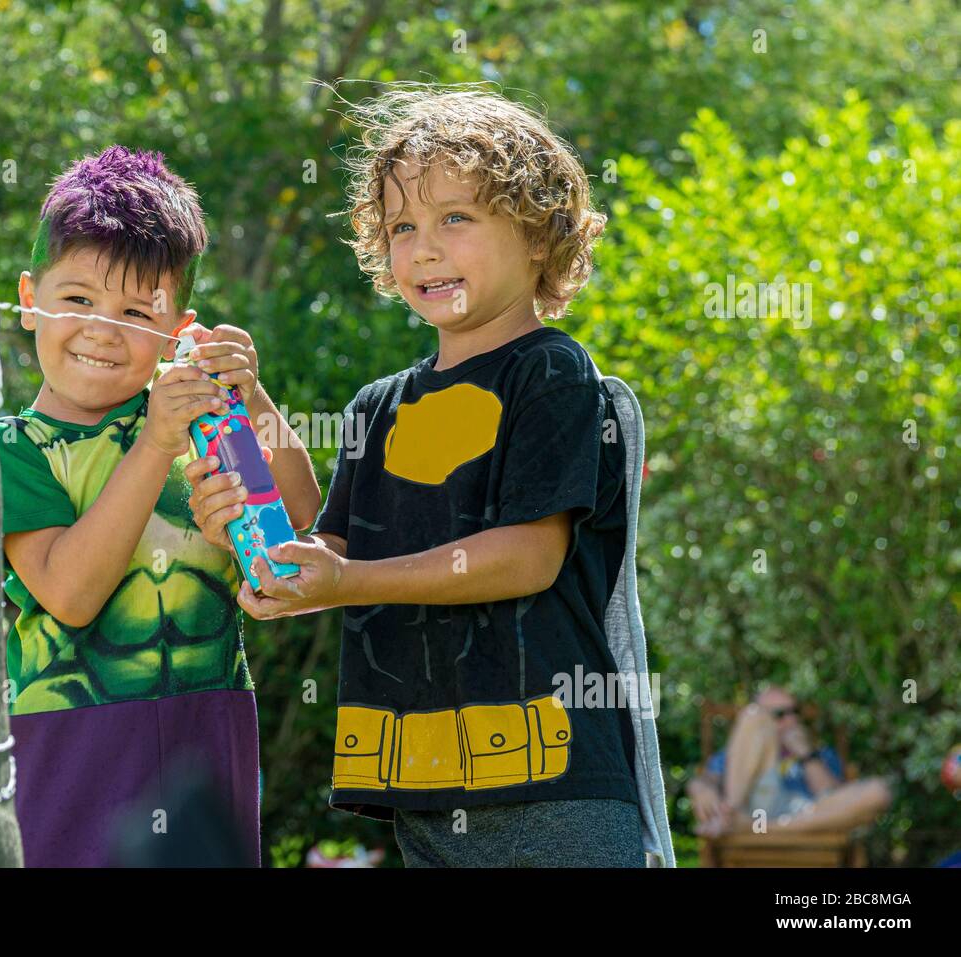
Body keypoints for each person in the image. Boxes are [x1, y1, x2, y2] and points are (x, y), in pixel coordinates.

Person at [185, 87, 673, 866]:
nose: (424, 248)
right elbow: (325, 543)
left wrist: (346, 579)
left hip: (552, 783)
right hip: (421, 784)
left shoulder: (550, 373)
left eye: (456, 218)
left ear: (541, 235)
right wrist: (261, 538)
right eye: (402, 226)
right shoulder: (378, 405)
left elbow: (527, 556)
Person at [0, 146, 321, 866]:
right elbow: (70, 593)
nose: (103, 330)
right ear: (27, 298)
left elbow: (299, 514)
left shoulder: (201, 422)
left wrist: (249, 396)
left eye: (137, 311)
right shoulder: (13, 447)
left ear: (178, 329)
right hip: (70, 750)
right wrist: (153, 444)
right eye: (76, 299)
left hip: (209, 738)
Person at [688, 685, 893, 836]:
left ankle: (754, 828)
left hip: (804, 817)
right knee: (750, 714)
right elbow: (707, 780)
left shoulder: (819, 754)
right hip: (753, 806)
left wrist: (806, 755)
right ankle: (734, 818)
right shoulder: (737, 752)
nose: (791, 720)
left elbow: (831, 798)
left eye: (795, 712)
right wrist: (700, 788)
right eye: (779, 714)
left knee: (879, 791)